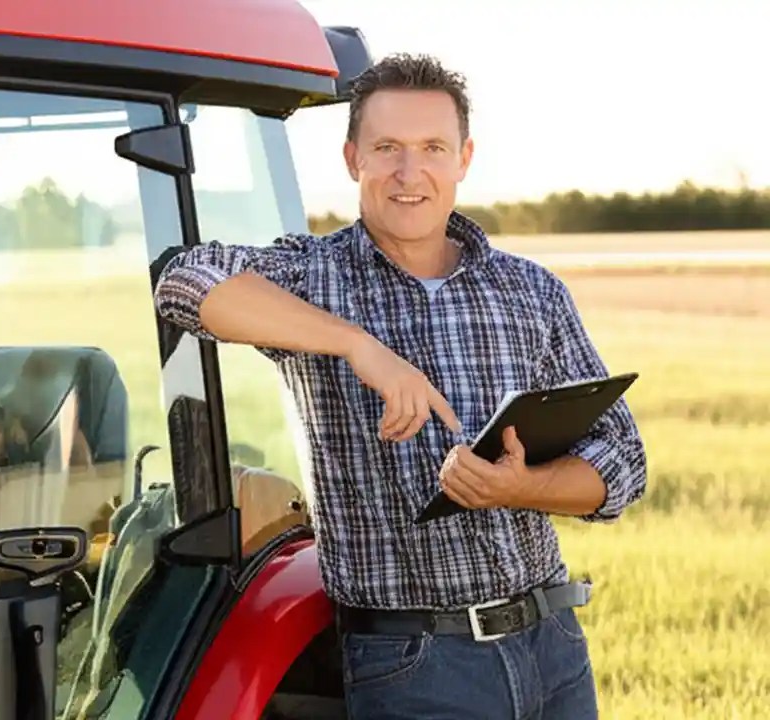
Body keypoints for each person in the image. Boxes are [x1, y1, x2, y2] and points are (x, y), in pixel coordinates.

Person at [153, 53, 646, 718]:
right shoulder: (313, 277)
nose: (409, 173)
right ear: (353, 156)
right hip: (416, 665)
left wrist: (521, 487)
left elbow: (623, 461)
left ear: (463, 158)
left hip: (554, 645)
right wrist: (358, 345)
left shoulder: (532, 291)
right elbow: (183, 283)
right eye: (388, 148)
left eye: (432, 148)